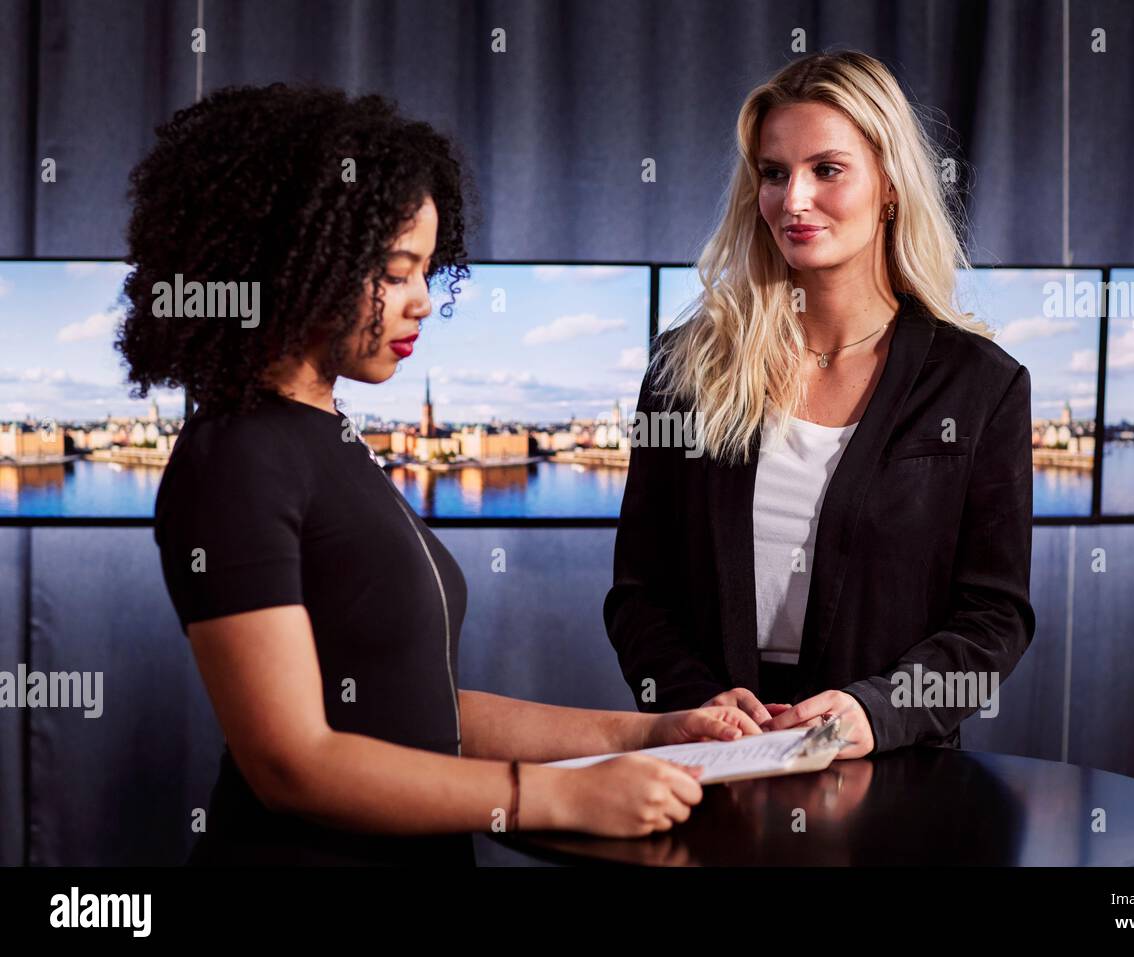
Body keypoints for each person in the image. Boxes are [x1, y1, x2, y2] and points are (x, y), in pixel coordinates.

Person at [116, 83, 761, 866]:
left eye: (428, 268)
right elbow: (291, 762)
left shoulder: (326, 437)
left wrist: (652, 731)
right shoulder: (236, 458)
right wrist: (558, 795)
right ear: (295, 260)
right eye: (397, 270)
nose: (424, 300)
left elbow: (419, 712)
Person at [605, 51, 1035, 758]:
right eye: (774, 173)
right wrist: (695, 704)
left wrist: (879, 711)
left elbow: (995, 619)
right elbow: (639, 593)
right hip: (711, 762)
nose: (793, 200)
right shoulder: (686, 367)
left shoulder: (981, 384)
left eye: (827, 169)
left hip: (893, 771)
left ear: (890, 184)